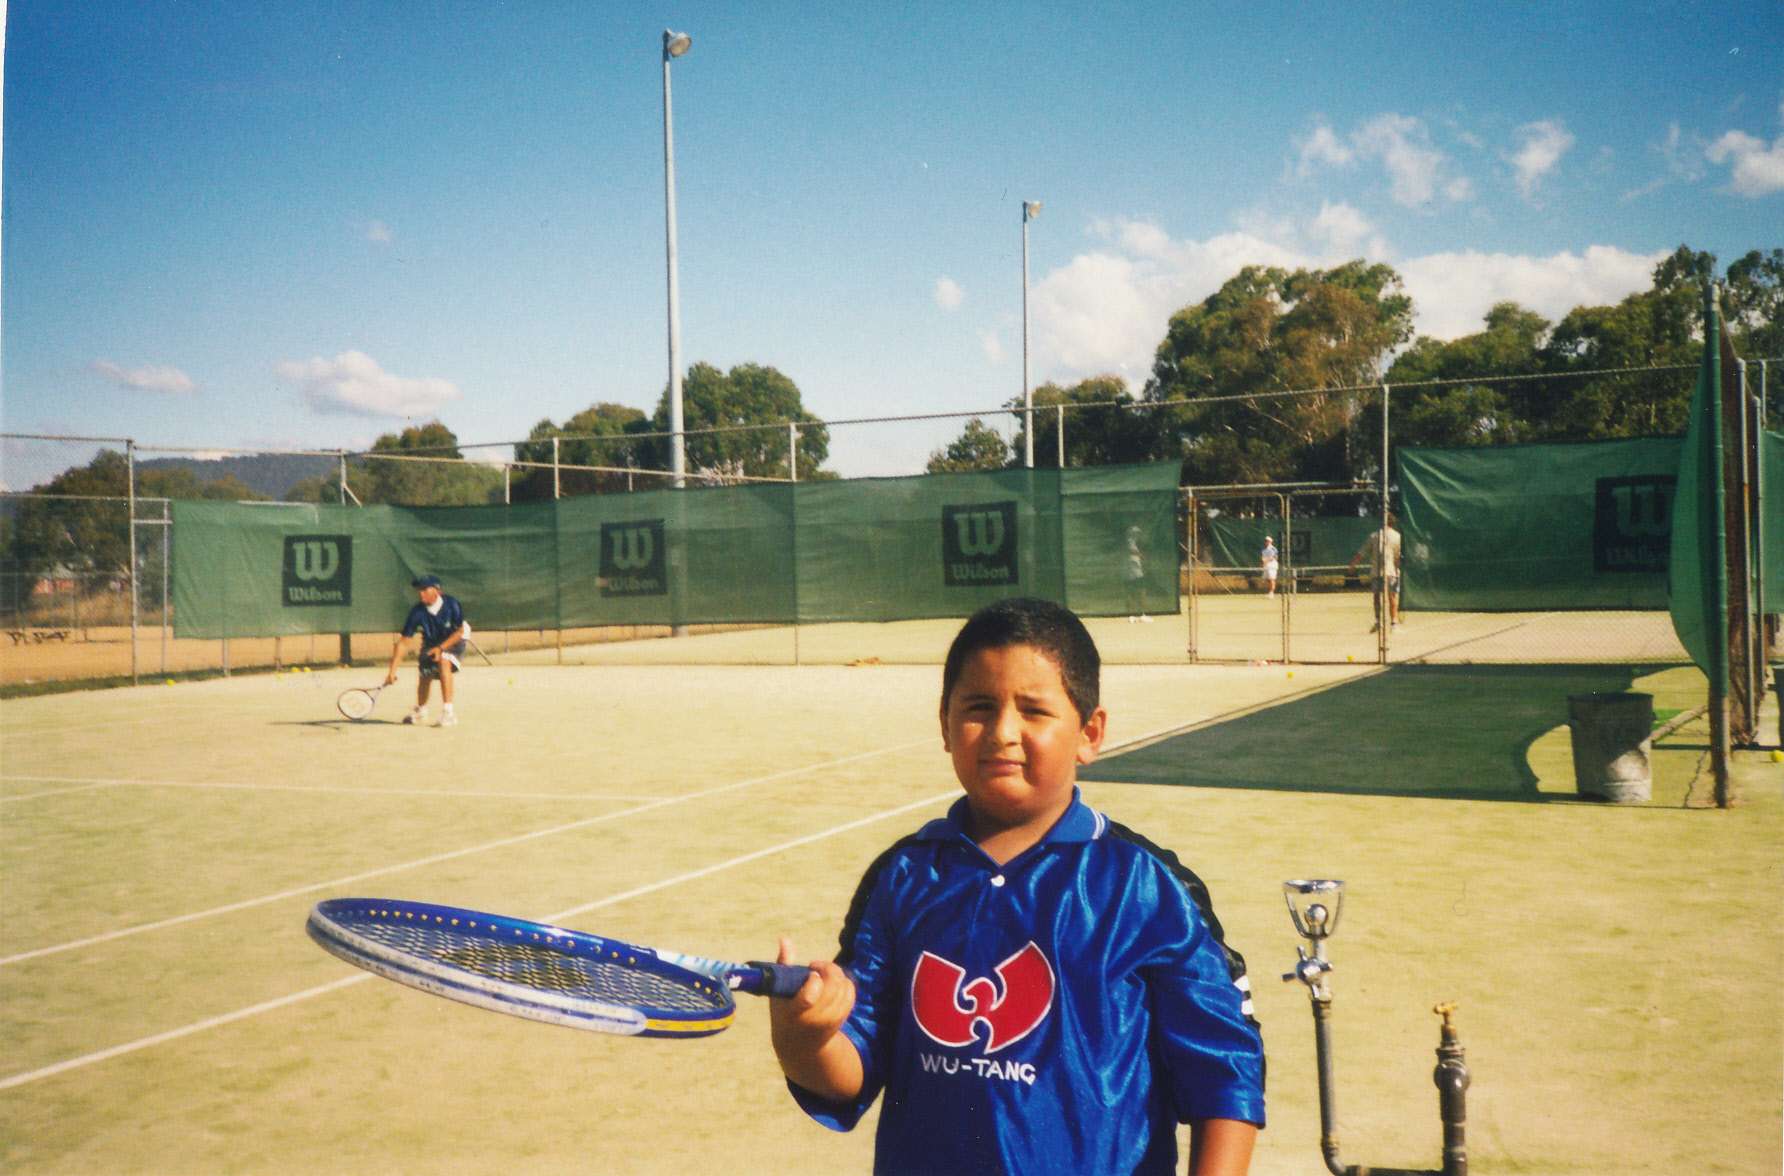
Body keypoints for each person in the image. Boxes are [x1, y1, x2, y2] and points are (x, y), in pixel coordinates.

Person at [768, 597, 1265, 1175]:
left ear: (1089, 733)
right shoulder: (903, 877)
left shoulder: (1145, 887)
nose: (1003, 732)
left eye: (1034, 710)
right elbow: (851, 1067)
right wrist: (803, 1039)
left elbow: (1226, 1074)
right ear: (945, 724)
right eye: (979, 707)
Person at [384, 573, 468, 727]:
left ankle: (448, 713)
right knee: (425, 674)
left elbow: (459, 632)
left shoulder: (452, 604)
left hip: (454, 640)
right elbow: (403, 642)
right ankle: (421, 711)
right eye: (419, 590)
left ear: (437, 590)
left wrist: (440, 648)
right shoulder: (417, 612)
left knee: (444, 661)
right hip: (431, 643)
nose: (420, 593)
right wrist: (392, 671)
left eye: (424, 589)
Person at [1347, 513, 1403, 631]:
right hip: (1391, 572)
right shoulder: (1397, 537)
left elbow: (1361, 553)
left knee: (1377, 597)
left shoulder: (1374, 536)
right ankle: (1393, 623)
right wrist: (1398, 569)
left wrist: (1352, 565)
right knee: (1392, 597)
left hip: (1378, 572)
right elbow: (1398, 557)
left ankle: (1379, 622)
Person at [1124, 524, 1153, 623]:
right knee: (1136, 591)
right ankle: (1132, 615)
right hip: (1134, 572)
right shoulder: (1130, 543)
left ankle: (1141, 614)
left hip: (1137, 572)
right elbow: (1132, 551)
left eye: (1138, 533)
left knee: (1139, 592)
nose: (1137, 535)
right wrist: (1142, 556)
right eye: (1135, 533)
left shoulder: (1135, 543)